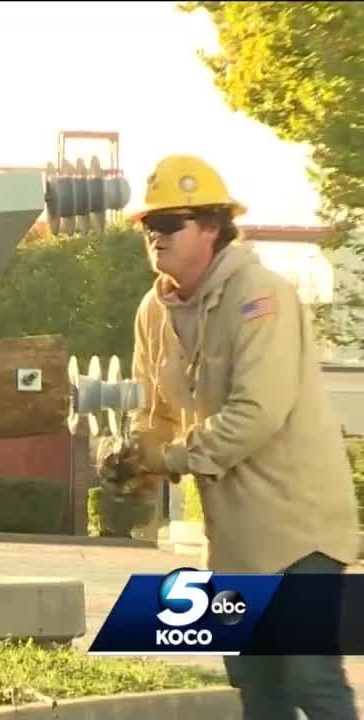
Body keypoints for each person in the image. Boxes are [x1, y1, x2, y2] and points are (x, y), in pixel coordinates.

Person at [100, 154, 360, 719]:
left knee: (309, 673)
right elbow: (157, 413)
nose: (156, 236)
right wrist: (136, 463)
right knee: (257, 685)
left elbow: (257, 412)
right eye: (149, 225)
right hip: (237, 537)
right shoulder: (154, 310)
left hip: (301, 527)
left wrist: (169, 457)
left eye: (171, 224)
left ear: (212, 227)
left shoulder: (260, 298)